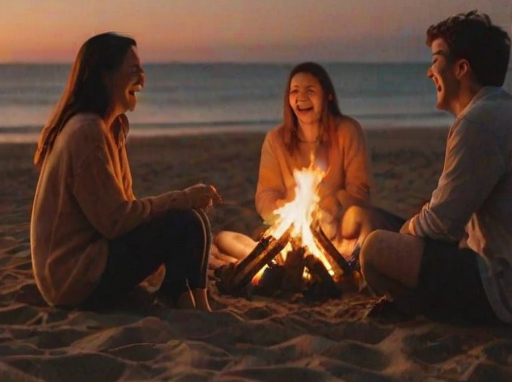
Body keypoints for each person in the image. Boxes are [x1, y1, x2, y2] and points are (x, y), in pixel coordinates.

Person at [30, 32, 222, 311]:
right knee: (185, 220)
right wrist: (181, 198)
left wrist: (183, 204)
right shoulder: (86, 131)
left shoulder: (112, 127)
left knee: (193, 217)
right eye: (134, 71)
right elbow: (116, 220)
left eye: (142, 70)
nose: (142, 79)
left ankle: (190, 298)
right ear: (105, 76)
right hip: (73, 279)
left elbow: (124, 208)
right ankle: (181, 299)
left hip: (96, 259)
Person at [359, 10, 512, 325]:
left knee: (374, 249)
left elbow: (441, 225)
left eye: (436, 59)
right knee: (368, 217)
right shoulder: (498, 110)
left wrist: (405, 233)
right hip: (487, 258)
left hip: (498, 288)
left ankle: (412, 304)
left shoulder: (477, 122)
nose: (430, 72)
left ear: (461, 68)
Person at [213, 62, 394, 266]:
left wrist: (324, 209)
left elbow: (360, 193)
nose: (301, 98)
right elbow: (265, 197)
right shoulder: (276, 140)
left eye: (310, 90)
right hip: (293, 229)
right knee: (225, 238)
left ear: (328, 95)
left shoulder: (347, 131)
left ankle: (351, 262)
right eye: (295, 91)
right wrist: (294, 211)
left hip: (339, 228)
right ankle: (265, 262)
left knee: (359, 216)